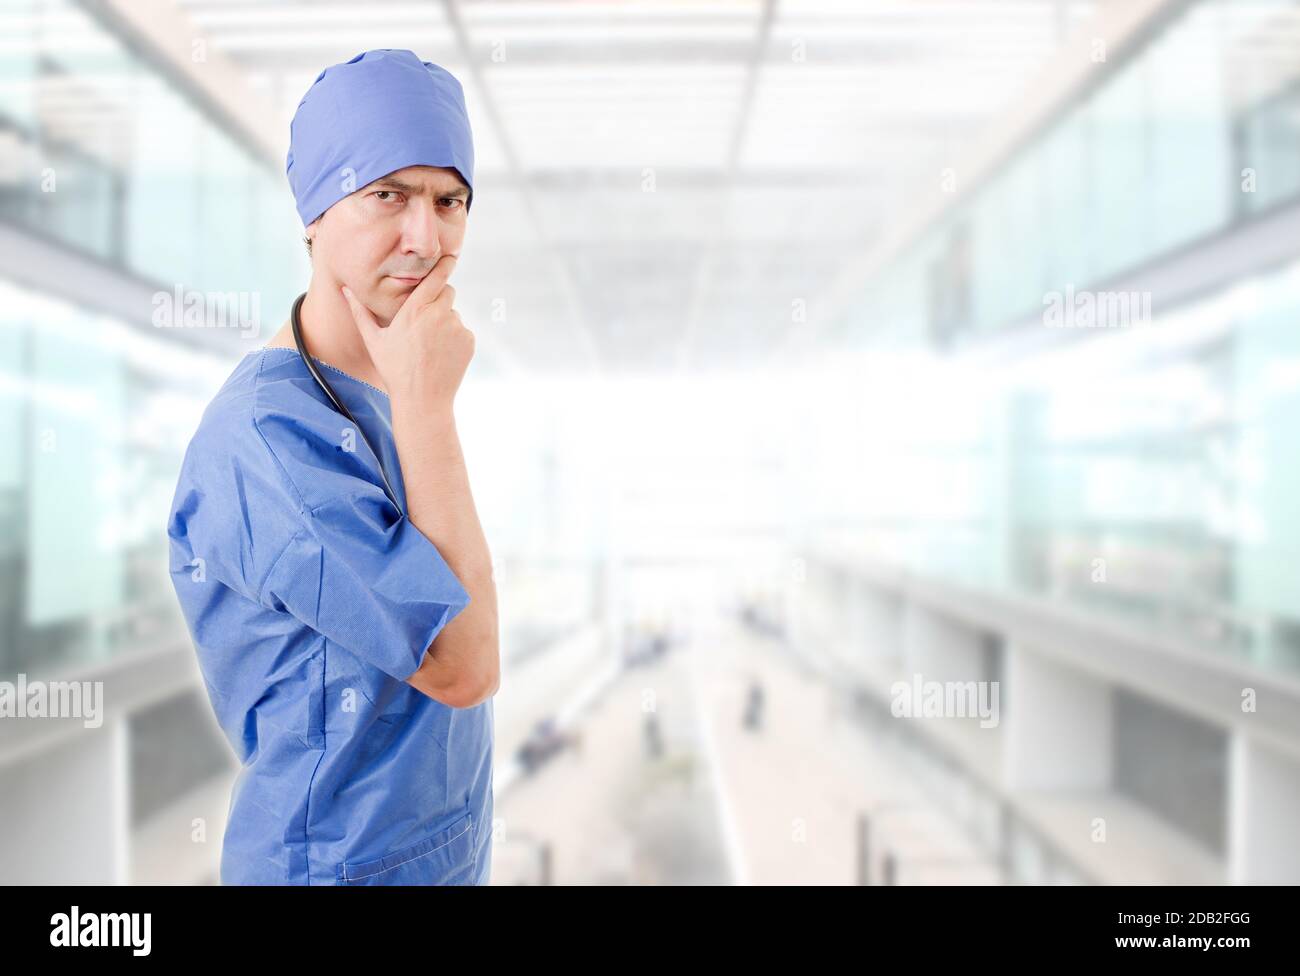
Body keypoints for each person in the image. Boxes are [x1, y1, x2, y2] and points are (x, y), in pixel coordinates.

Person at [166, 49, 498, 885]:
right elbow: (464, 665)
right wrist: (429, 409)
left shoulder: (387, 393)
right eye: (387, 193)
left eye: (449, 201)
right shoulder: (269, 446)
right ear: (315, 212)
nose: (425, 238)